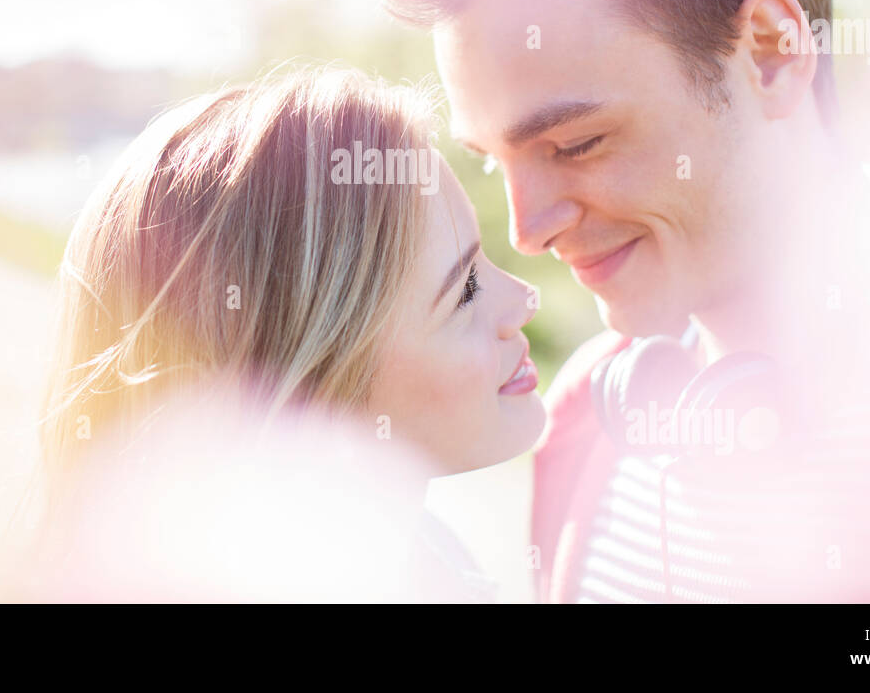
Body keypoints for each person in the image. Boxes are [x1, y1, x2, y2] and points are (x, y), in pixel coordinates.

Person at [373, 0, 870, 601]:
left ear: (772, 50)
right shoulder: (585, 420)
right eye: (494, 161)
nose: (527, 231)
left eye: (575, 142)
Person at [30, 66, 543, 601]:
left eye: (484, 262)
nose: (525, 298)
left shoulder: (424, 554)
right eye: (465, 291)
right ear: (304, 394)